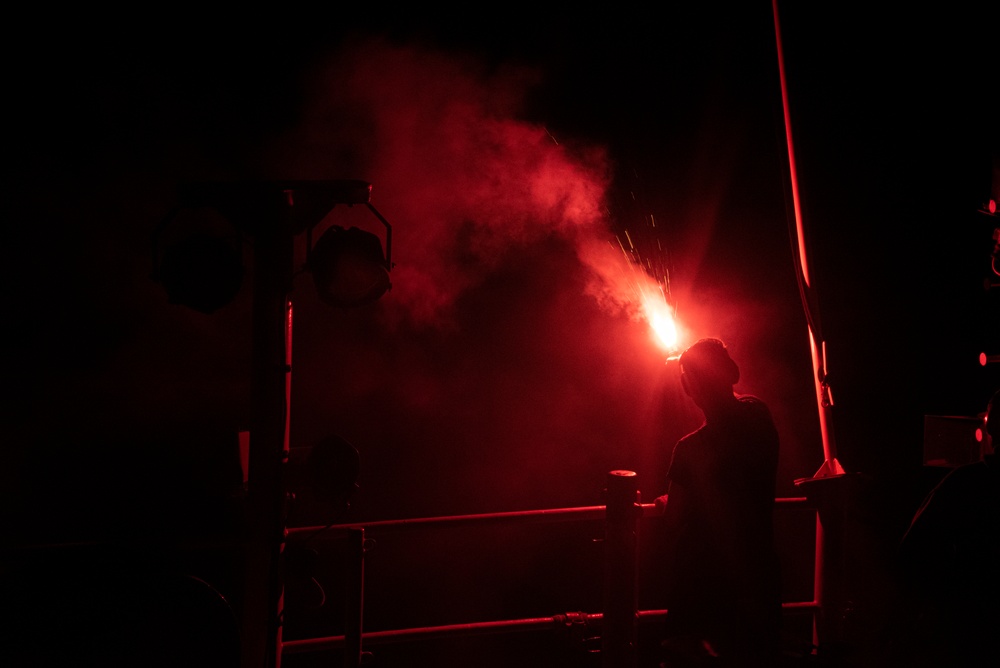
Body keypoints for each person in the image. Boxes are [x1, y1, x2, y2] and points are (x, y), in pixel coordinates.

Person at [656, 338, 782, 667]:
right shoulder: (760, 416)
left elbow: (674, 517)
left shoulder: (689, 449)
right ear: (731, 373)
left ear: (688, 386)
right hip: (759, 574)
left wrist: (665, 503)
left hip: (705, 586)